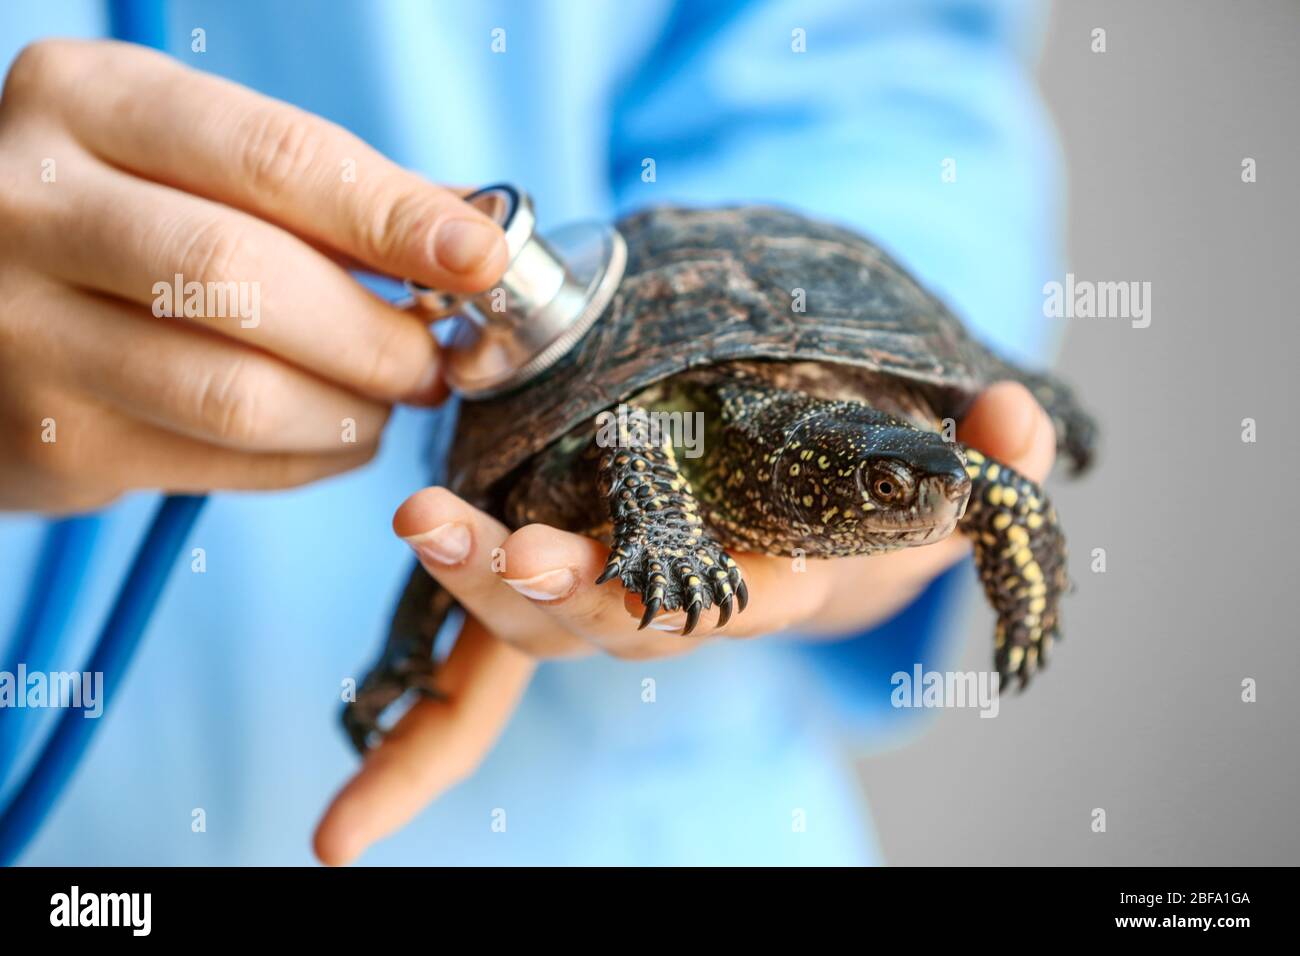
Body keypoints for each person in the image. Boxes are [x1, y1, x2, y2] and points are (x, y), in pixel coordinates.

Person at [0, 0, 1062, 865]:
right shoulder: (698, 431)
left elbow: (879, 75)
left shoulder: (903, 458)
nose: (938, 495)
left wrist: (926, 532)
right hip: (97, 801)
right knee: (474, 526)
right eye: (886, 489)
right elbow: (648, 429)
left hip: (620, 798)